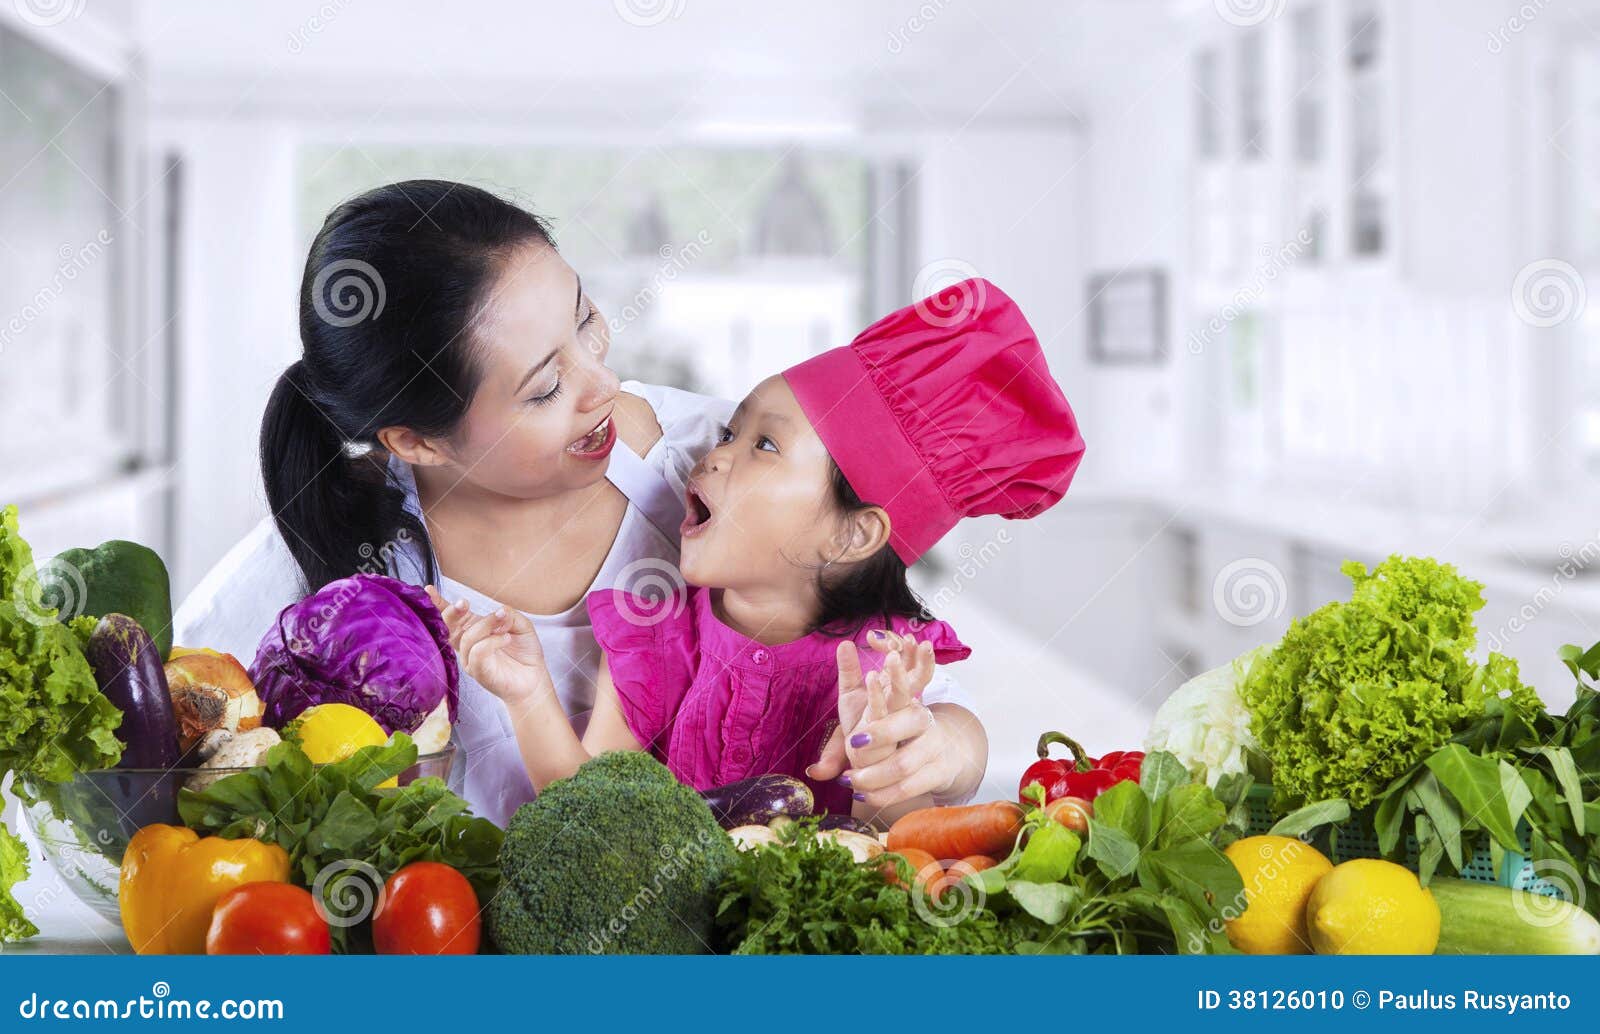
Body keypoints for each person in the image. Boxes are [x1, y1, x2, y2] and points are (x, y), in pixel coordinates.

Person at [174, 180, 989, 826]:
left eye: (585, 321)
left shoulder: (712, 465)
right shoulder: (329, 561)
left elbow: (932, 704)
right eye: (546, 386)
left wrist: (937, 754)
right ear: (416, 441)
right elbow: (162, 750)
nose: (605, 387)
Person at [447, 280, 1085, 822]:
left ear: (852, 535)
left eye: (764, 446)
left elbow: (909, 807)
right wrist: (528, 694)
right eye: (731, 430)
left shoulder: (879, 670)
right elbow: (587, 810)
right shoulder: (656, 632)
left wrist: (921, 750)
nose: (714, 453)